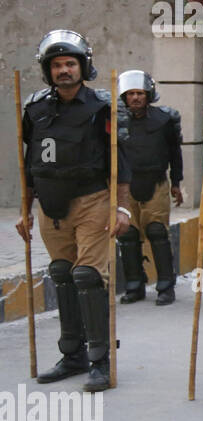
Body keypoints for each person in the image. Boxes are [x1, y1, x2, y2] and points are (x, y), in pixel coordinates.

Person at [17, 30, 133, 391]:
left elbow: (119, 162)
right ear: (47, 70)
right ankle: (72, 355)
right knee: (62, 273)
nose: (63, 70)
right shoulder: (35, 109)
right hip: (50, 204)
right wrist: (25, 210)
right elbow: (29, 163)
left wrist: (123, 208)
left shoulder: (100, 107)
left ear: (83, 66)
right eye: (56, 65)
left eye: (70, 63)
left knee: (87, 275)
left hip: (91, 200)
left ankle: (100, 359)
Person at [115, 70, 183, 306]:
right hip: (126, 186)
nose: (135, 98)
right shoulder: (115, 122)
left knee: (157, 232)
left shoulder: (164, 120)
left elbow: (175, 152)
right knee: (128, 235)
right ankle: (134, 285)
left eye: (140, 93)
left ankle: (166, 285)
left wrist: (176, 182)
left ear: (148, 95)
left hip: (156, 183)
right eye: (131, 93)